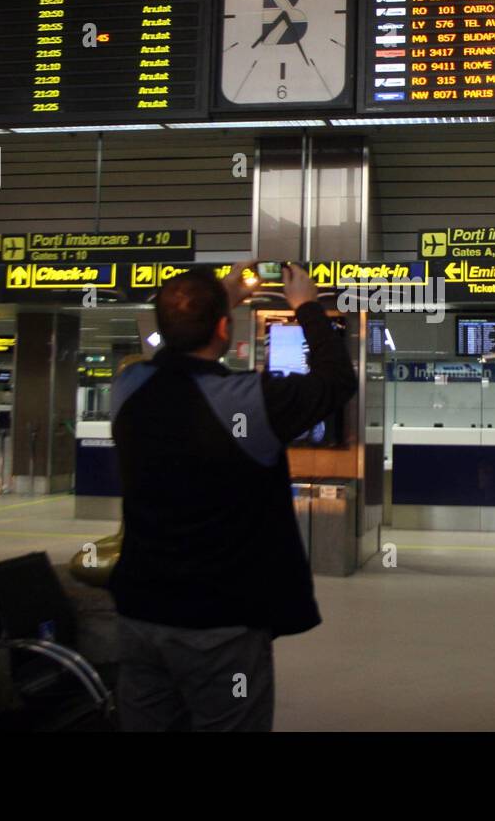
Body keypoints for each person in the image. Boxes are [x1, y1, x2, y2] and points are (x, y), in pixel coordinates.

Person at [109, 261, 357, 731]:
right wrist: (306, 306)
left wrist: (217, 298)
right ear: (225, 328)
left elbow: (160, 347)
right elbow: (336, 381)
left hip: (139, 614)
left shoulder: (127, 388)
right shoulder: (247, 401)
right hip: (221, 621)